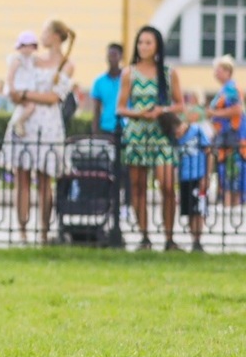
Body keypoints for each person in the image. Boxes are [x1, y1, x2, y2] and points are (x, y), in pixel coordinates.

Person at [0, 19, 76, 244]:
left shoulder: (67, 64)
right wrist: (18, 93)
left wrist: (25, 95)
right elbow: (13, 84)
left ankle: (43, 230)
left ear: (56, 36)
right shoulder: (30, 59)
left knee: (45, 180)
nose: (40, 37)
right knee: (21, 177)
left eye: (45, 32)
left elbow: (54, 97)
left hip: (48, 123)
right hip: (25, 120)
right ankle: (21, 230)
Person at [117, 25, 181, 251]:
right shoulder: (129, 73)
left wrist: (161, 111)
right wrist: (140, 113)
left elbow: (180, 104)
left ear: (157, 47)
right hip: (137, 133)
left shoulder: (168, 73)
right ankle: (144, 236)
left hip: (160, 134)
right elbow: (121, 108)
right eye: (140, 42)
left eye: (148, 43)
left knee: (167, 185)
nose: (143, 47)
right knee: (138, 186)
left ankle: (169, 238)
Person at [177, 93, 210, 253]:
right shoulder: (177, 137)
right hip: (184, 177)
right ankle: (193, 238)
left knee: (199, 209)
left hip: (198, 175)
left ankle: (198, 239)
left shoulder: (198, 131)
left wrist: (206, 175)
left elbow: (208, 152)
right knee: (189, 210)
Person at [207, 55, 241, 207]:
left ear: (227, 71)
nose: (215, 73)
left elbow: (237, 110)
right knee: (225, 170)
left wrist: (214, 114)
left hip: (231, 137)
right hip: (224, 137)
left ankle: (230, 204)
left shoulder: (231, 89)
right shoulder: (224, 89)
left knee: (230, 170)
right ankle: (227, 202)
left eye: (218, 70)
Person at [87, 41, 124, 135]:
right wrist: (95, 131)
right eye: (109, 55)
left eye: (115, 55)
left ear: (121, 57)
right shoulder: (99, 82)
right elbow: (96, 110)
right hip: (106, 128)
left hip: (126, 127)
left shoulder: (127, 79)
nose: (112, 58)